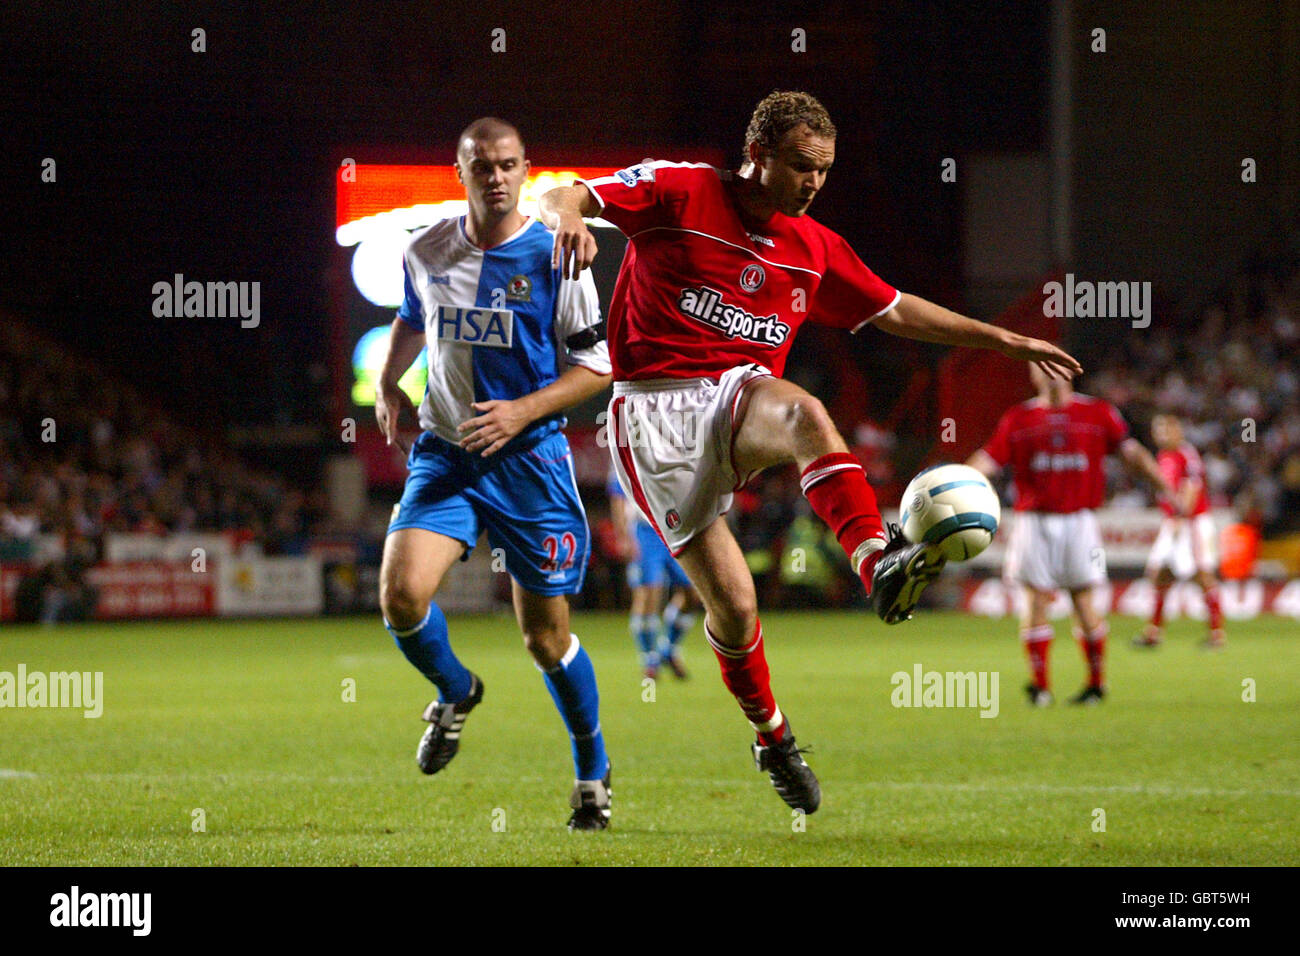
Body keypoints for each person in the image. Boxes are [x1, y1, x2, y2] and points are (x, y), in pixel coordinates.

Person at [540, 90, 1081, 813]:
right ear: (757, 154)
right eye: (800, 166)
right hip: (653, 417)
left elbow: (897, 308)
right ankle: (772, 734)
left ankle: (875, 561)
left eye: (823, 171)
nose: (813, 183)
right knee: (735, 608)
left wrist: (1002, 338)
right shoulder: (684, 187)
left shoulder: (814, 247)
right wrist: (571, 215)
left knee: (804, 413)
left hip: (737, 396)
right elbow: (558, 193)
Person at [376, 117, 615, 830]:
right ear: (461, 172)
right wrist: (390, 384)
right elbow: (410, 318)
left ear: (524, 167)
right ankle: (456, 692)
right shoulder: (426, 249)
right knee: (400, 598)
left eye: (509, 165)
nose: (497, 177)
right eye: (483, 166)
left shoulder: (559, 255)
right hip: (447, 454)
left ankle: (592, 769)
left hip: (529, 461)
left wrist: (521, 412)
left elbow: (599, 365)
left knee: (544, 638)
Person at [966, 364, 1175, 707]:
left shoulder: (1097, 412)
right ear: (1031, 374)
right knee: (1033, 601)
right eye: (1039, 365)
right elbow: (989, 459)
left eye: (1055, 365)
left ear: (1071, 371)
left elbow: (1132, 453)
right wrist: (957, 480)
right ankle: (1041, 687)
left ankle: (1095, 684)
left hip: (1080, 521)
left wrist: (1164, 486)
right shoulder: (1018, 419)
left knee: (1083, 602)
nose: (1049, 373)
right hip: (1033, 522)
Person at [1134, 413, 1225, 649]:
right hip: (1172, 521)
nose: (1162, 434)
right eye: (1158, 430)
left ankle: (1217, 633)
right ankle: (1153, 632)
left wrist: (1180, 517)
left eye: (1167, 429)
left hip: (1191, 523)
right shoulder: (1164, 456)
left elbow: (1193, 487)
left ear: (1178, 431)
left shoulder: (1186, 454)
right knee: (1159, 573)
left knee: (1201, 574)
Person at [606, 467, 697, 679]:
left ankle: (669, 649)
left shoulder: (682, 443)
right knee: (649, 594)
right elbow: (618, 495)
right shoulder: (629, 442)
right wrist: (623, 536)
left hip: (676, 529)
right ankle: (649, 659)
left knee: (692, 592)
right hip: (644, 530)